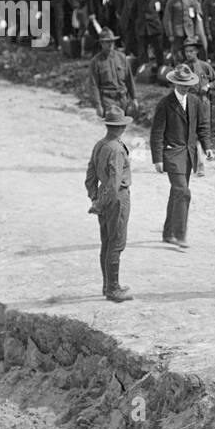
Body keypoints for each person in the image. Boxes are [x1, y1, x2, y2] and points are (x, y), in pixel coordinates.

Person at [150, 65, 212, 248]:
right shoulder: (165, 104)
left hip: (189, 155)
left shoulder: (195, 102)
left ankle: (168, 233)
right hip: (172, 153)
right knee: (183, 192)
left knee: (176, 193)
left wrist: (207, 147)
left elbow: (202, 127)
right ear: (174, 83)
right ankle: (180, 234)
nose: (184, 88)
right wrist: (157, 158)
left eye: (187, 85)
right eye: (181, 84)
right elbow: (156, 133)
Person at [85, 106, 134, 302]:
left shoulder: (100, 145)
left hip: (103, 197)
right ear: (121, 127)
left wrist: (96, 199)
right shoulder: (116, 149)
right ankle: (113, 289)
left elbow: (90, 175)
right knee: (116, 243)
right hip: (117, 198)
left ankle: (108, 285)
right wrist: (104, 202)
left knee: (106, 242)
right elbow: (115, 183)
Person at [88, 28, 138, 117]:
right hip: (108, 100)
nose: (110, 44)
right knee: (114, 126)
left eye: (112, 41)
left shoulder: (122, 58)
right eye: (107, 42)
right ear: (101, 43)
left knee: (122, 127)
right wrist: (98, 105)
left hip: (123, 99)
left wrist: (134, 98)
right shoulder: (96, 62)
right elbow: (93, 85)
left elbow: (129, 79)